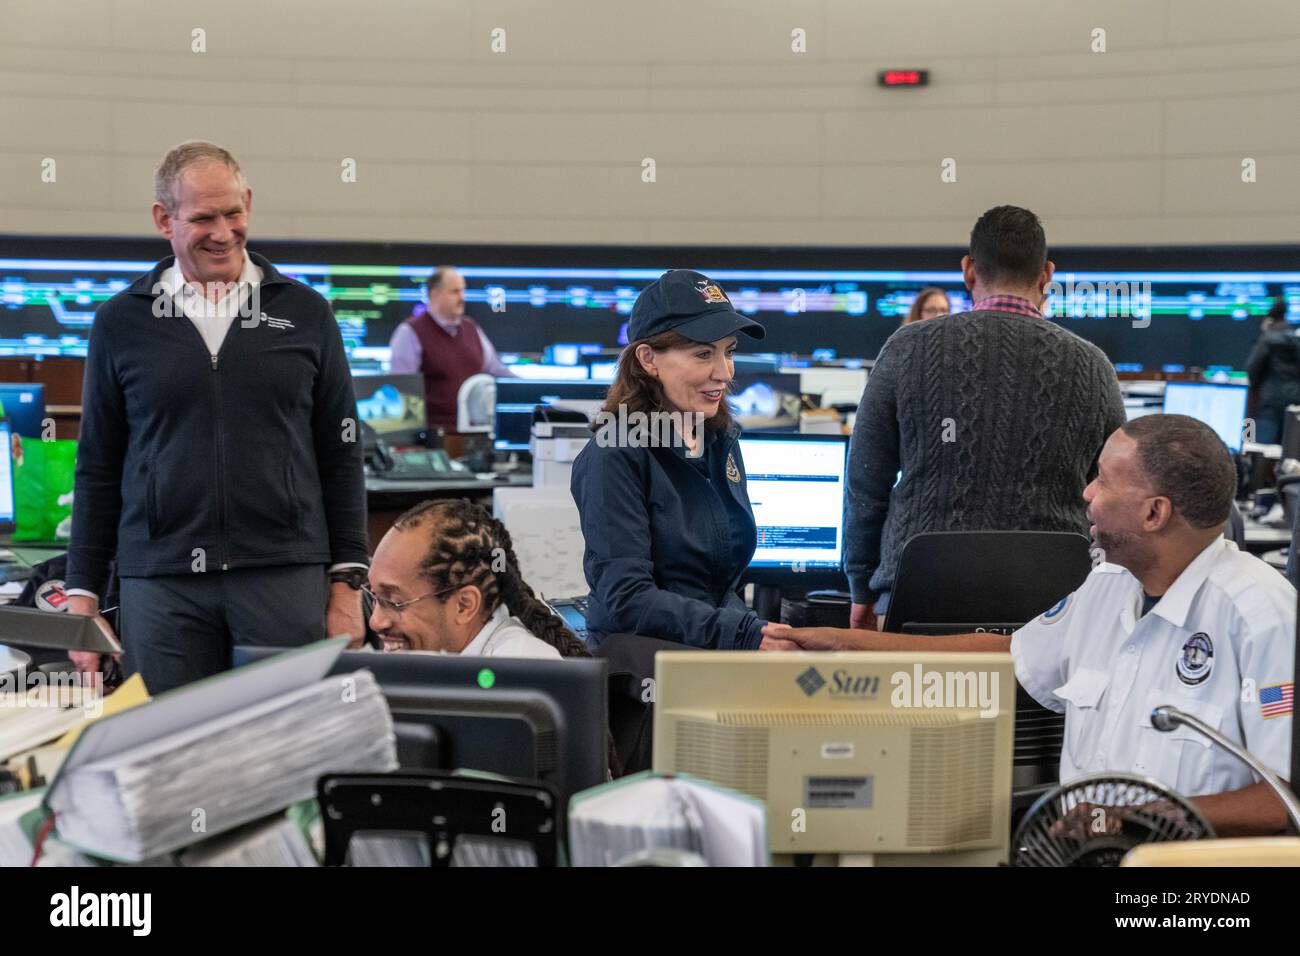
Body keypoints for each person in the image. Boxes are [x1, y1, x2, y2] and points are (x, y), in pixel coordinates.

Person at [765, 415, 1295, 837]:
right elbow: (1009, 656)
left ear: (1154, 514)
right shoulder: (1109, 586)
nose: (1087, 493)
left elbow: (1284, 801)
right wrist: (846, 644)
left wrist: (1137, 819)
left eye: (1103, 481)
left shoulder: (1261, 618)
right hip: (1084, 854)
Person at [66, 141, 369, 693]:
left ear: (248, 202)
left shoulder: (306, 314)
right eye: (204, 218)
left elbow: (342, 454)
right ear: (164, 220)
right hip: (162, 583)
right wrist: (82, 595)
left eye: (233, 213)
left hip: (282, 575)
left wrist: (349, 583)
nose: (224, 233)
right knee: (167, 740)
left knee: (284, 738)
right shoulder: (121, 323)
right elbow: (98, 467)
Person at [845, 205, 1126, 630]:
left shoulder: (907, 348)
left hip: (919, 597)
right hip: (1054, 607)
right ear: (1046, 275)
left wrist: (861, 589)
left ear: (968, 270)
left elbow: (866, 482)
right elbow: (1114, 492)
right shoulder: (1093, 366)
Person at [570, 270, 768, 650]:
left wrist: (757, 633)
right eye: (703, 354)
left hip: (709, 651)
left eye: (729, 351)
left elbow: (718, 586)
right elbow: (628, 600)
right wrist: (744, 634)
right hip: (647, 665)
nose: (724, 372)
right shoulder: (615, 454)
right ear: (648, 359)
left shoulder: (719, 438)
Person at [365, 498, 586, 659]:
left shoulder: (518, 675)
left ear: (464, 605)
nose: (375, 622)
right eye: (374, 596)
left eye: (394, 602)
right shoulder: (437, 657)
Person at [388, 267, 515, 433]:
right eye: (455, 291)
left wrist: (528, 388)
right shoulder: (410, 332)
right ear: (434, 294)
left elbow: (497, 370)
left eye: (463, 291)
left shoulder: (471, 328)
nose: (462, 298)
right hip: (434, 437)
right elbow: (402, 392)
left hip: (476, 434)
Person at [1245, 297, 1300, 444]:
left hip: (1269, 404)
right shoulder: (1296, 339)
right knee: (1291, 449)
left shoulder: (1267, 339)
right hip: (1295, 403)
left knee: (1260, 448)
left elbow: (1252, 370)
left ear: (1269, 319)